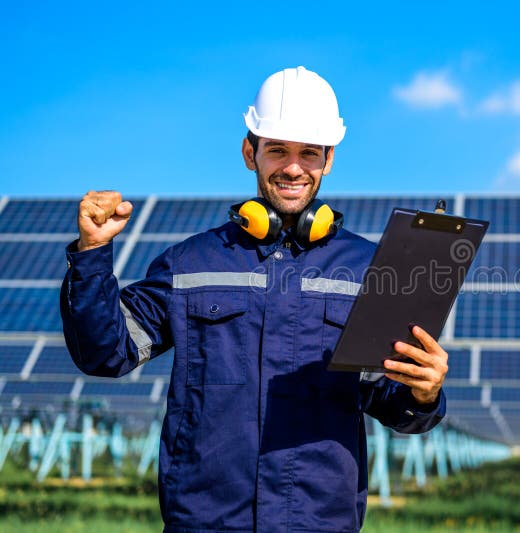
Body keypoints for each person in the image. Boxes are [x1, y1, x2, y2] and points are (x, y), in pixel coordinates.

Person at [60, 66, 449, 532]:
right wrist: (92, 253)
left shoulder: (371, 271)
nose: (292, 166)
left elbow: (391, 402)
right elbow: (106, 353)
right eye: (277, 150)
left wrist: (423, 393)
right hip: (205, 522)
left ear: (329, 160)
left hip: (320, 523)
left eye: (309, 153)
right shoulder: (190, 264)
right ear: (250, 153)